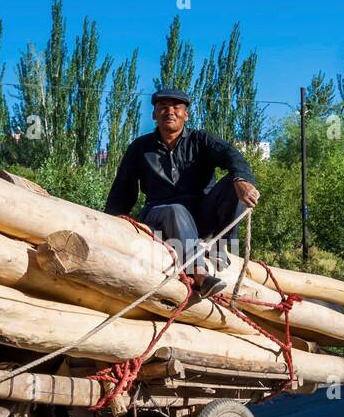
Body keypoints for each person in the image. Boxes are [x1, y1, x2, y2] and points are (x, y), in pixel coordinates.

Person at [104, 87, 260, 296]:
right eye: (163, 107)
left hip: (200, 218)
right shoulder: (139, 148)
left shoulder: (201, 140)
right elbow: (122, 191)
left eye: (176, 107)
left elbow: (230, 154)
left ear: (185, 114)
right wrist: (110, 228)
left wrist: (243, 180)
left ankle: (222, 247)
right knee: (176, 209)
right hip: (159, 217)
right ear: (154, 114)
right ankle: (200, 275)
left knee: (235, 181)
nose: (170, 111)